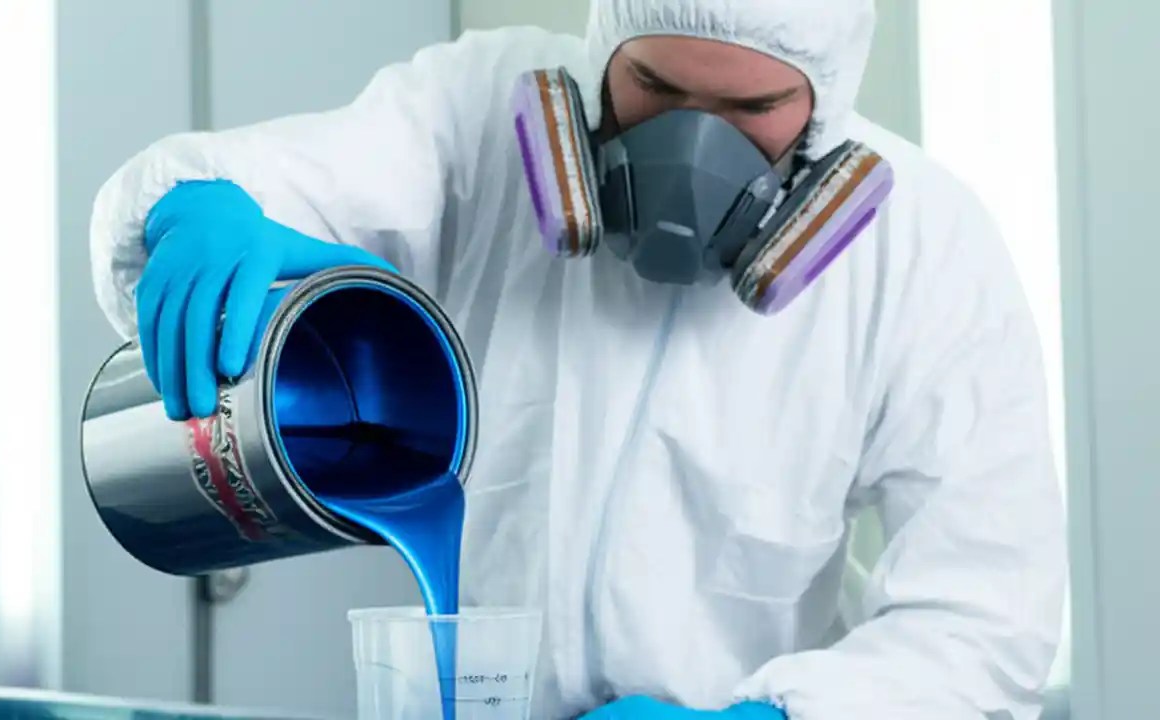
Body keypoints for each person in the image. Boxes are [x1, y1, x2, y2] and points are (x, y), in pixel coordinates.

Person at [88, 0, 1067, 717]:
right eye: (655, 88)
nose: (688, 151)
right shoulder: (479, 114)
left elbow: (984, 630)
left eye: (753, 107)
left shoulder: (922, 251)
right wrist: (195, 206)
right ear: (602, 50)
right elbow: (277, 180)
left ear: (825, 108)